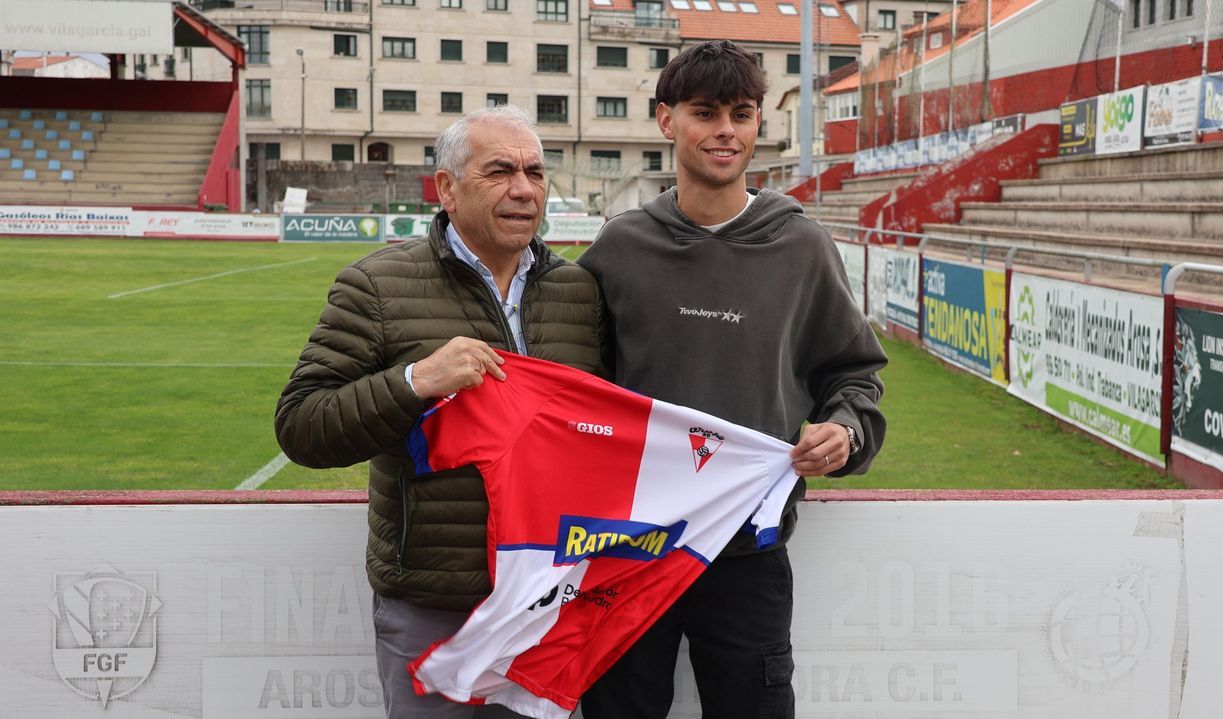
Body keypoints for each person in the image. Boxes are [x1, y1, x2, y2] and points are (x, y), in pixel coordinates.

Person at [578, 40, 888, 719]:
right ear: (667, 121)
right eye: (705, 112)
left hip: (749, 547)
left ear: (757, 126)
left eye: (742, 114)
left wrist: (844, 429)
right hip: (630, 550)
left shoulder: (801, 245)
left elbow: (854, 373)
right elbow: (579, 386)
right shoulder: (619, 247)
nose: (725, 131)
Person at [274, 104, 605, 719]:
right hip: (433, 604)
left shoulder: (579, 292)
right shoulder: (376, 286)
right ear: (447, 189)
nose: (524, 190)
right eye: (500, 171)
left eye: (535, 172)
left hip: (547, 603)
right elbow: (301, 426)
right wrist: (414, 381)